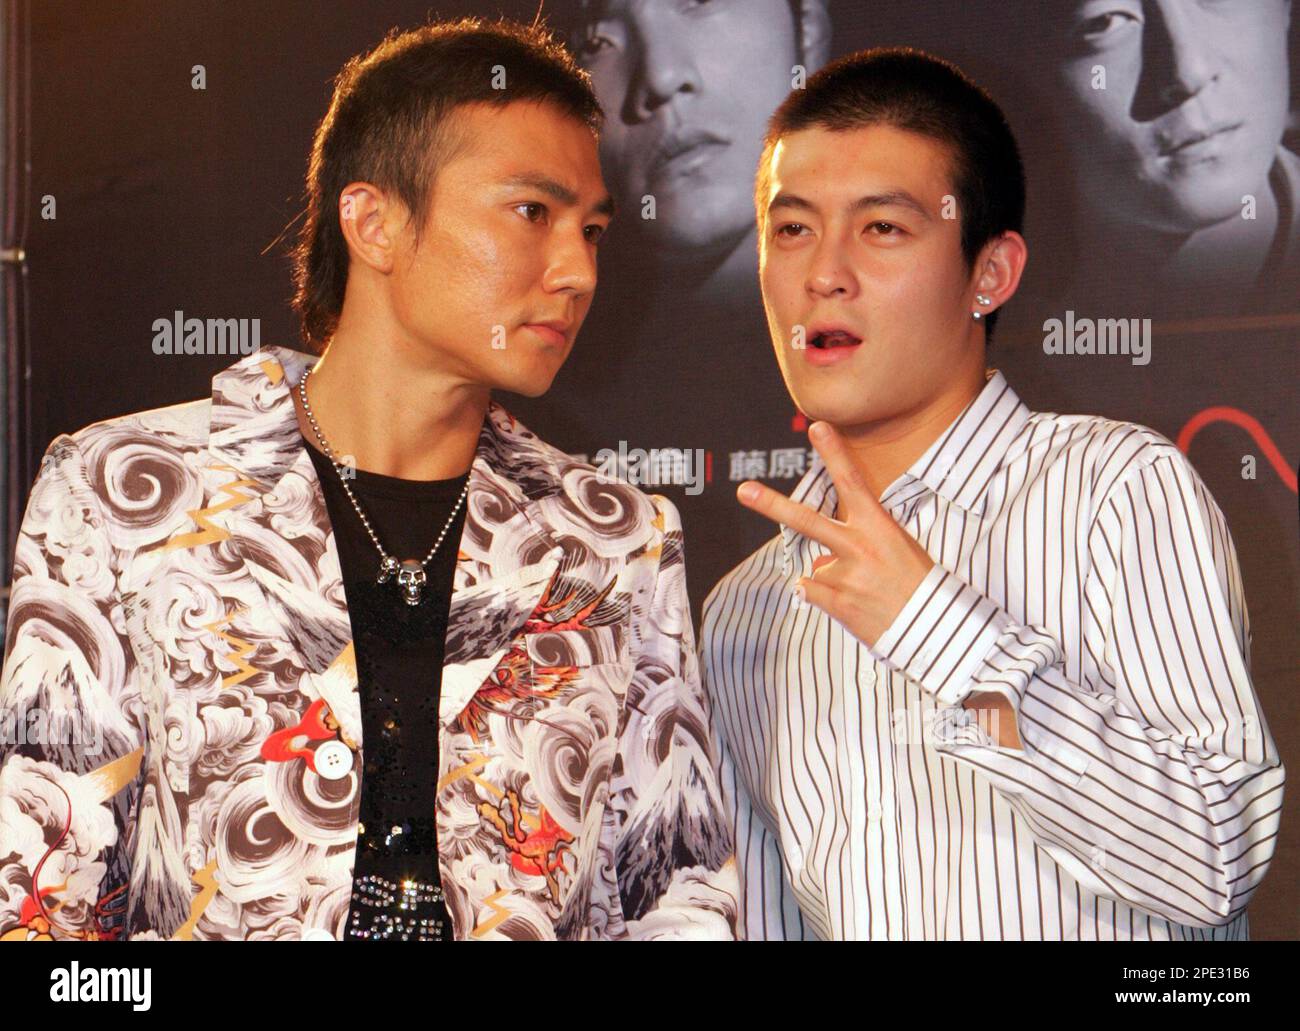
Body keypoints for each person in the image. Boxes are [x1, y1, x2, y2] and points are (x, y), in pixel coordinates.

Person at [0, 17, 737, 941]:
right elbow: (42, 903)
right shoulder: (122, 489)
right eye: (532, 213)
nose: (578, 269)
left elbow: (681, 896)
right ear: (374, 223)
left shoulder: (617, 538)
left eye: (591, 229)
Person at [699, 46, 1285, 939]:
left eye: (882, 227)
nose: (824, 273)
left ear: (991, 273)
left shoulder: (1115, 490)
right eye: (792, 231)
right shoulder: (744, 612)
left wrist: (932, 624)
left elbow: (1214, 858)